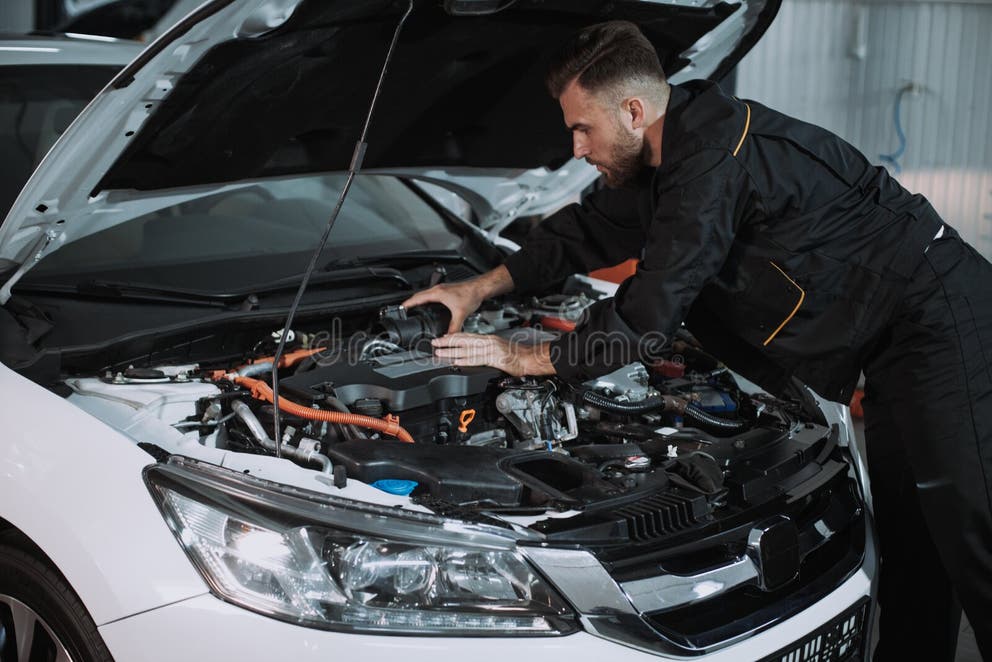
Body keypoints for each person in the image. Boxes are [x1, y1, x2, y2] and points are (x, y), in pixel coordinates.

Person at [401, 20, 992, 661]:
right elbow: (580, 233)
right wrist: (474, 291)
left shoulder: (712, 160)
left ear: (632, 111)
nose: (574, 148)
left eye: (582, 128)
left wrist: (529, 358)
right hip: (892, 343)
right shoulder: (668, 156)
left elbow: (650, 308)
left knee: (972, 535)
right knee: (916, 550)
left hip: (942, 321)